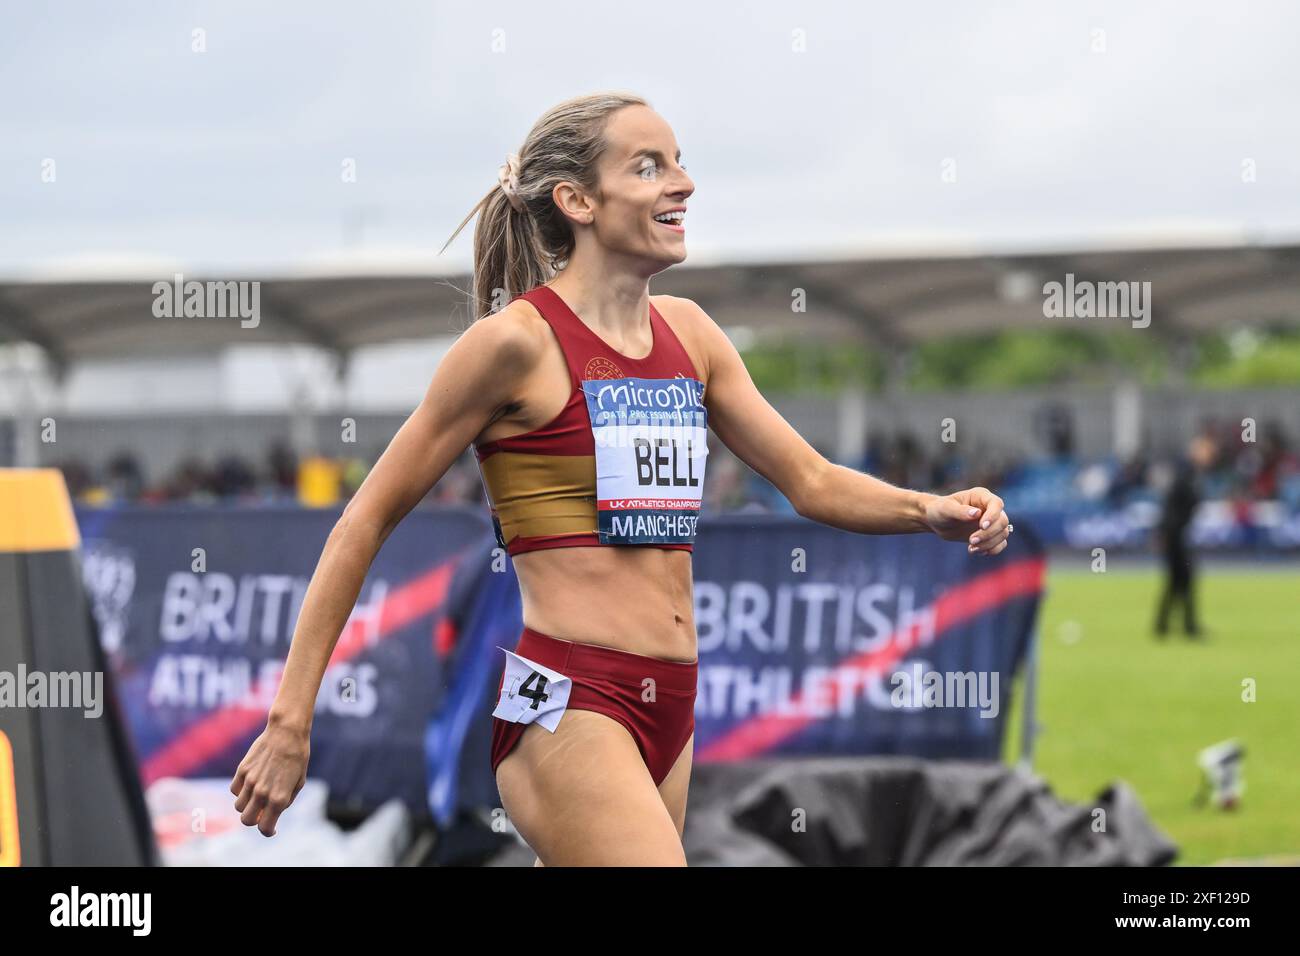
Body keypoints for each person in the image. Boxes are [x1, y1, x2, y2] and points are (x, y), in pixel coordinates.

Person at [228, 91, 1014, 866]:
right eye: (650, 167)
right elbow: (361, 521)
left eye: (680, 164)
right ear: (577, 200)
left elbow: (809, 478)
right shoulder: (513, 346)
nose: (684, 184)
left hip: (670, 702)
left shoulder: (693, 335)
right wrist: (291, 722)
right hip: (569, 703)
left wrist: (928, 509)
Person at [1154, 433, 1214, 639]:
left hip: (1176, 533)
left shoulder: (1190, 474)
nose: (1210, 456)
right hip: (1175, 535)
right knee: (1184, 580)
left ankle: (1163, 625)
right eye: (1206, 451)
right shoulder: (1186, 475)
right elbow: (1171, 506)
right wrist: (1164, 533)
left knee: (1176, 581)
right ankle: (1188, 626)